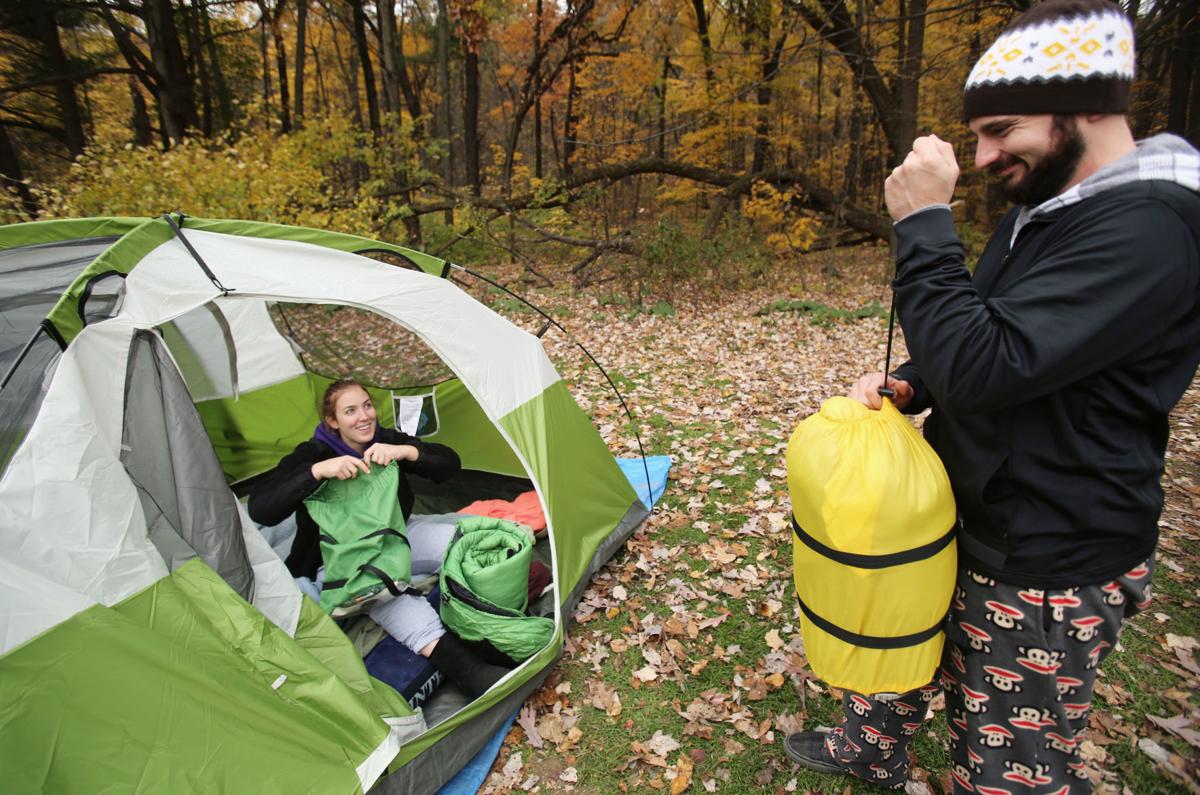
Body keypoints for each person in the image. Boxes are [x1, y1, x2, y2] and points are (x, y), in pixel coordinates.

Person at [783, 0, 1200, 790]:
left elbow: (987, 363)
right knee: (899, 633)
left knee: (1011, 764)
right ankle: (869, 747)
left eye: (1001, 129)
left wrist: (926, 225)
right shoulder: (1051, 208)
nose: (981, 157)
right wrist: (911, 380)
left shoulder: (1149, 230)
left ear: (1083, 107)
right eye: (978, 135)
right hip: (970, 507)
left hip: (1049, 551)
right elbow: (987, 331)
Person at [249, 378, 511, 697]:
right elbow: (262, 510)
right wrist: (317, 472)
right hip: (337, 559)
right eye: (350, 411)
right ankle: (468, 671)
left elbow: (449, 465)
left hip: (395, 535)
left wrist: (405, 451)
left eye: (367, 405)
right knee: (382, 590)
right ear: (332, 421)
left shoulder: (382, 440)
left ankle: (482, 636)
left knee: (467, 546)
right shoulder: (312, 454)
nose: (364, 416)